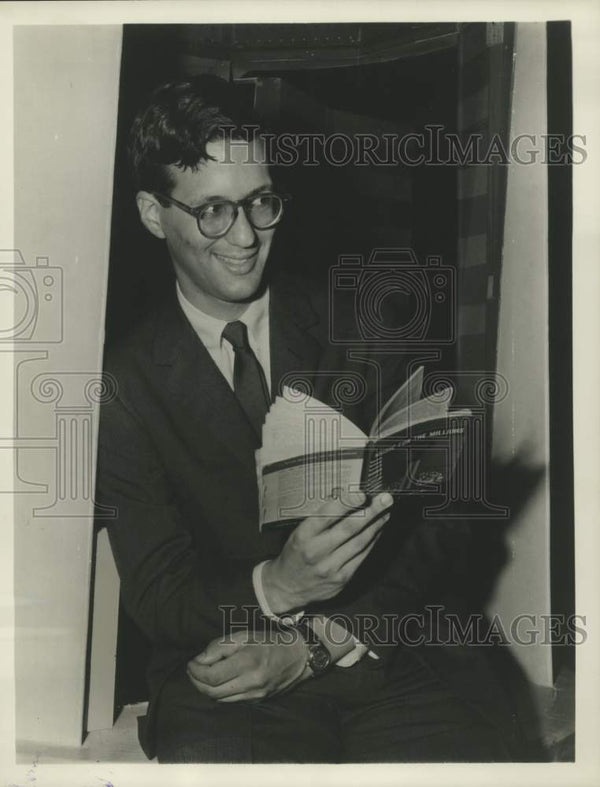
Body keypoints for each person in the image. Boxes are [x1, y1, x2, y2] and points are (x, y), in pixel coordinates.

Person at [96, 76, 521, 763]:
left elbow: (447, 518)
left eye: (261, 202)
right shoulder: (124, 382)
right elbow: (158, 590)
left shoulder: (361, 318)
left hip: (384, 646)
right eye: (212, 211)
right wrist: (279, 586)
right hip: (230, 677)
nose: (245, 237)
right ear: (152, 212)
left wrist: (317, 639)